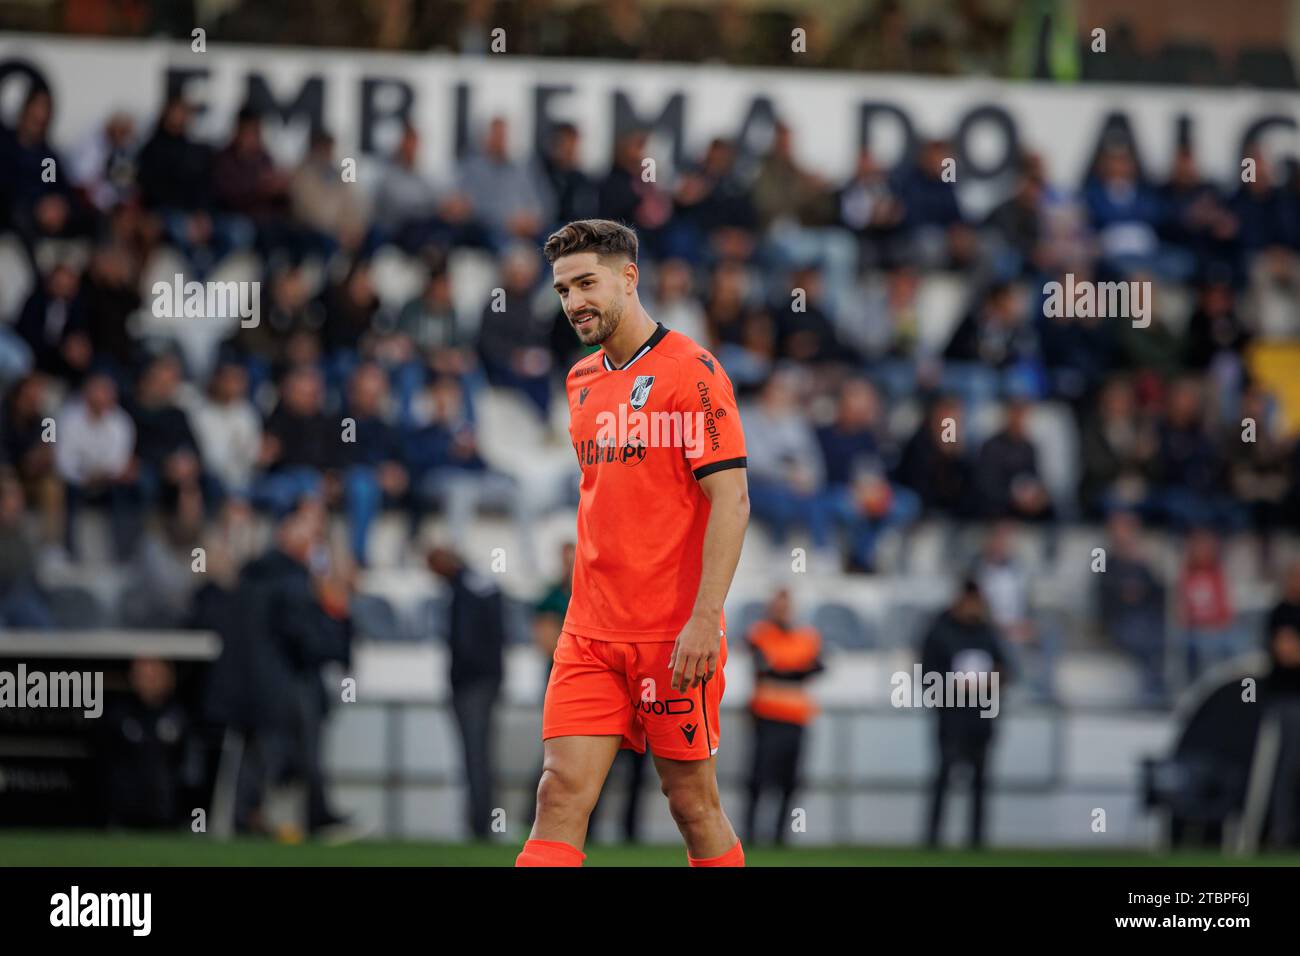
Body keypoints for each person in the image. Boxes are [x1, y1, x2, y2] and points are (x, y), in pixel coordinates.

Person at [516, 219, 750, 868]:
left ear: (629, 277)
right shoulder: (581, 380)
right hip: (589, 632)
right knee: (559, 792)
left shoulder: (694, 373)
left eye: (586, 283)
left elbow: (731, 500)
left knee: (690, 804)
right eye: (564, 290)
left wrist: (704, 620)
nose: (574, 302)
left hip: (672, 636)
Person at [205, 498, 353, 838]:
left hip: (253, 684)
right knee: (277, 754)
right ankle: (269, 817)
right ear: (286, 531)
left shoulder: (258, 574)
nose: (314, 537)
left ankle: (256, 816)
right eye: (307, 527)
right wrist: (334, 628)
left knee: (263, 755)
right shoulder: (290, 580)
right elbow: (306, 638)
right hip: (280, 684)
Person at [921, 578, 1008, 848]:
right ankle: (933, 839)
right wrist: (955, 686)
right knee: (944, 774)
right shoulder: (940, 632)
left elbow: (1005, 668)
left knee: (981, 778)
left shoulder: (987, 633)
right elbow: (927, 676)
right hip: (951, 714)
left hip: (981, 715)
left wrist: (991, 681)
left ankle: (976, 840)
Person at [428, 545, 505, 840]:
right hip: (481, 683)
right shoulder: (479, 585)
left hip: (473, 685)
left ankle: (481, 825)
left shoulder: (466, 590)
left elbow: (469, 642)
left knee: (475, 756)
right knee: (477, 755)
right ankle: (481, 822)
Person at [743, 588, 824, 846]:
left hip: (796, 718)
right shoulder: (760, 633)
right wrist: (796, 669)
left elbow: (817, 666)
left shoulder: (806, 637)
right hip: (767, 717)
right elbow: (768, 668)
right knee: (758, 779)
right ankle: (751, 834)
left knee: (790, 781)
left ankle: (780, 836)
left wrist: (785, 669)